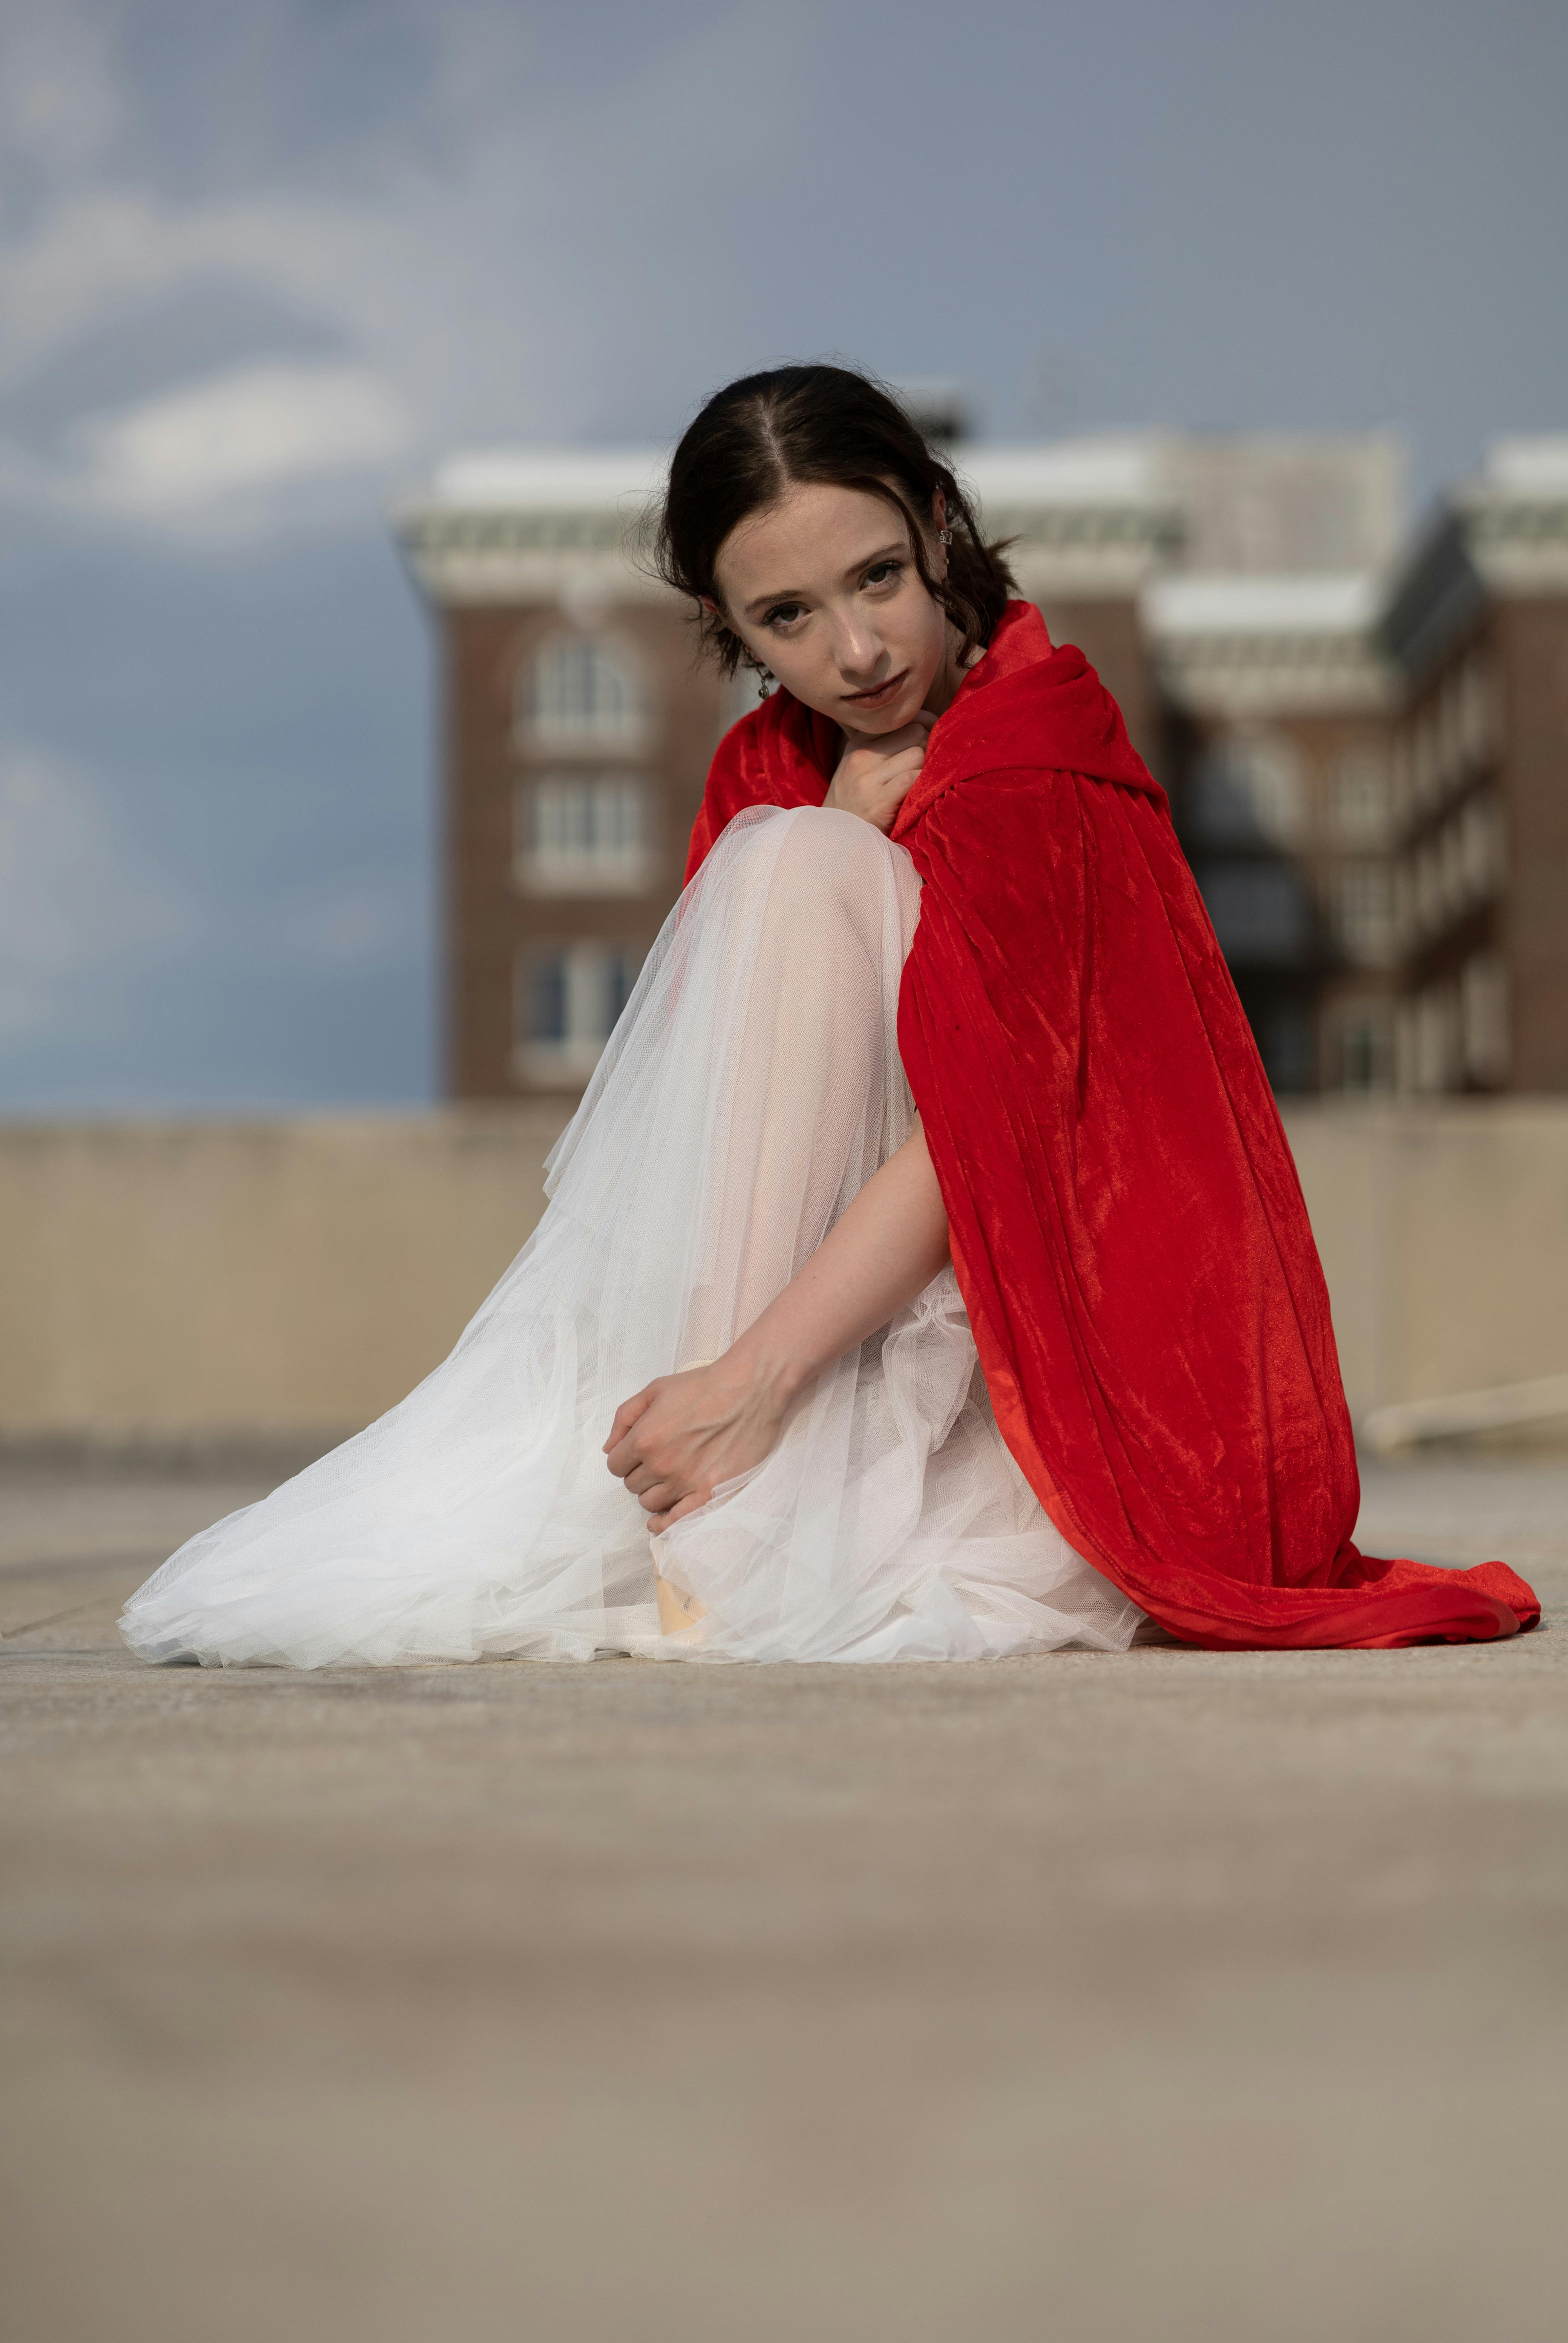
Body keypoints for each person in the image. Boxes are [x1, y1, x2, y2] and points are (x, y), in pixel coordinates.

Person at [121, 365, 1538, 1668]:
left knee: (799, 867)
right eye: (787, 618)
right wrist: (834, 831)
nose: (857, 653)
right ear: (727, 627)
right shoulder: (771, 770)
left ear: (936, 526)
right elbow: (710, 1118)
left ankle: (732, 1482)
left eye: (877, 579)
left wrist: (751, 1382)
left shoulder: (1038, 745)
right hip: (847, 1309)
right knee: (790, 860)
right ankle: (718, 1491)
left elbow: (997, 1132)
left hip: (1087, 1344)